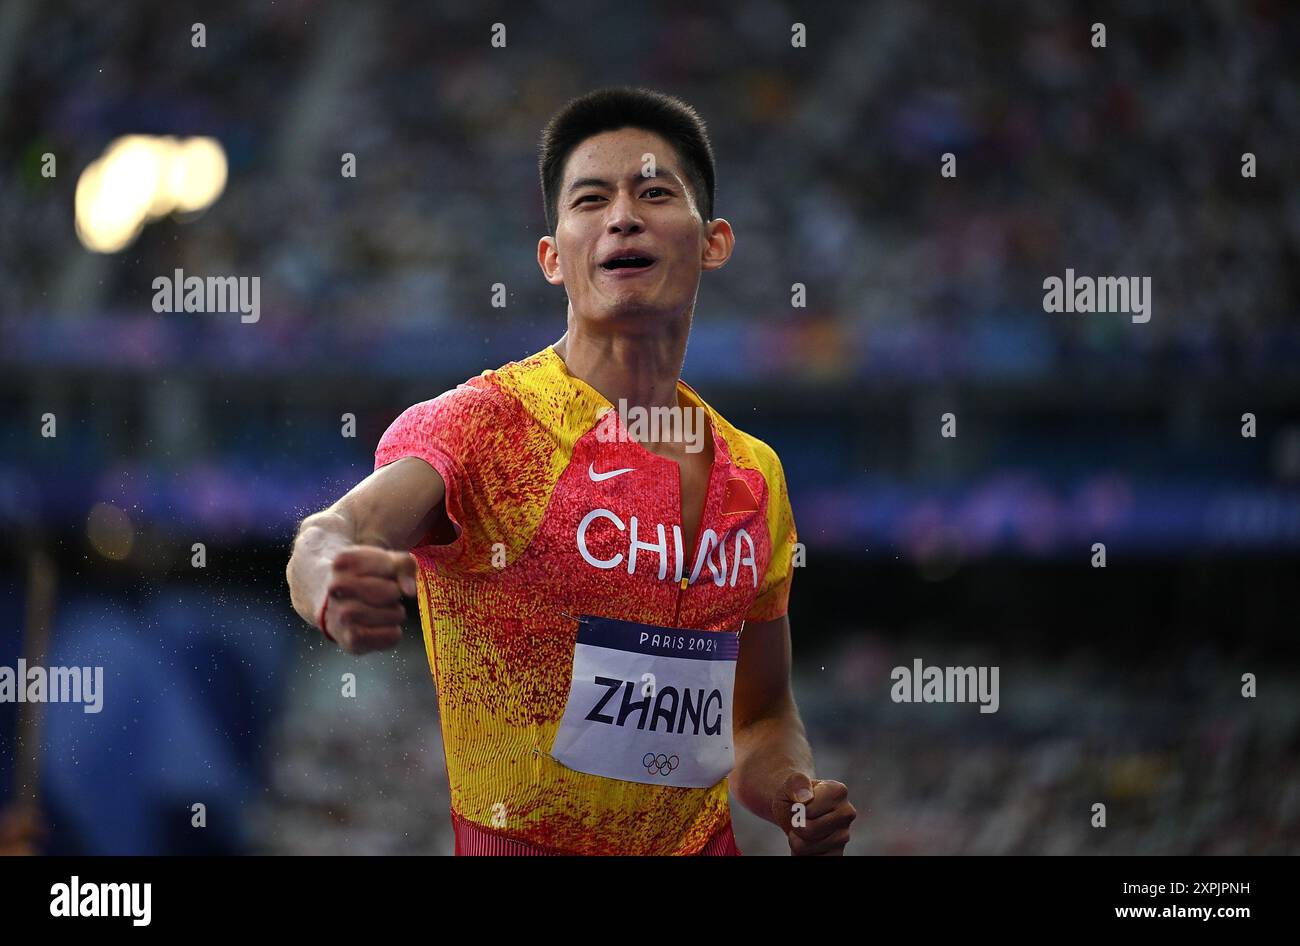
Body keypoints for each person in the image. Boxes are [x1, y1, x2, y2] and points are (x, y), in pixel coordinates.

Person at [286, 87, 855, 855]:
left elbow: (757, 717)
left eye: (655, 192)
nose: (623, 215)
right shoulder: (485, 424)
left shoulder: (755, 478)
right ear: (553, 257)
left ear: (714, 241)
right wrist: (328, 580)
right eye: (592, 199)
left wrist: (790, 795)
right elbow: (337, 529)